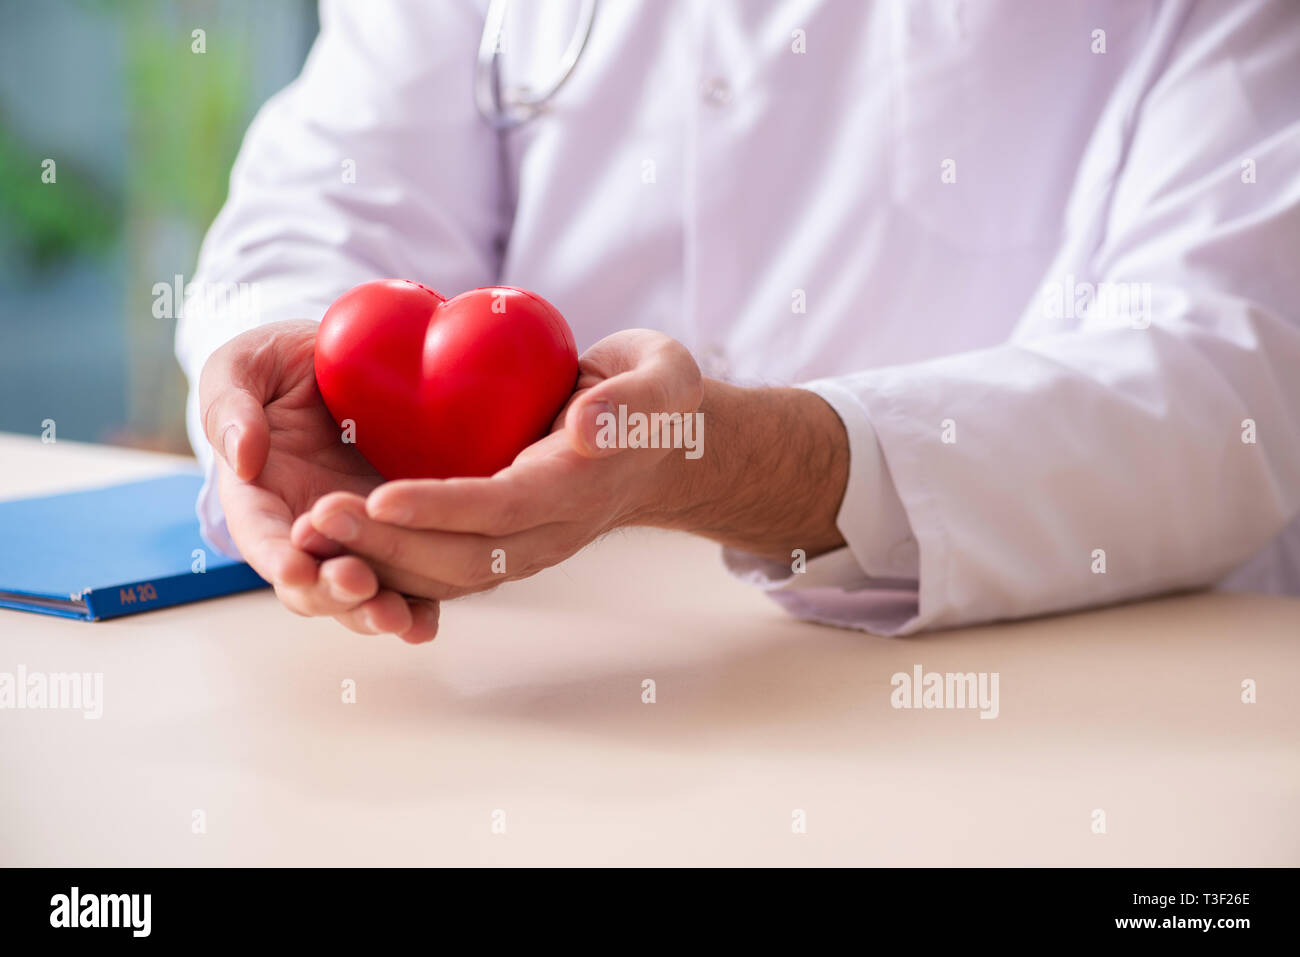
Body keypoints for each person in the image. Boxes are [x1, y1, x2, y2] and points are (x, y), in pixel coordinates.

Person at [178, 0, 1300, 644]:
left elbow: (1228, 387)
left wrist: (729, 463)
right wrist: (290, 375)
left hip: (1074, 704)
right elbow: (325, 195)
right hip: (537, 676)